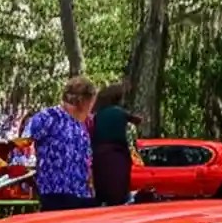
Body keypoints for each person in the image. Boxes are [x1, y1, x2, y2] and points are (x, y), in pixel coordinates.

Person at [26, 76, 98, 211]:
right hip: (55, 194)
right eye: (91, 103)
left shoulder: (81, 126)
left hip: (81, 194)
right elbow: (23, 144)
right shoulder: (48, 117)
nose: (91, 109)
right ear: (83, 101)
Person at [89, 82, 142, 206]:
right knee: (118, 189)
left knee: (102, 186)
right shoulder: (118, 112)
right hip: (116, 154)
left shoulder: (97, 114)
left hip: (99, 155)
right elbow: (136, 119)